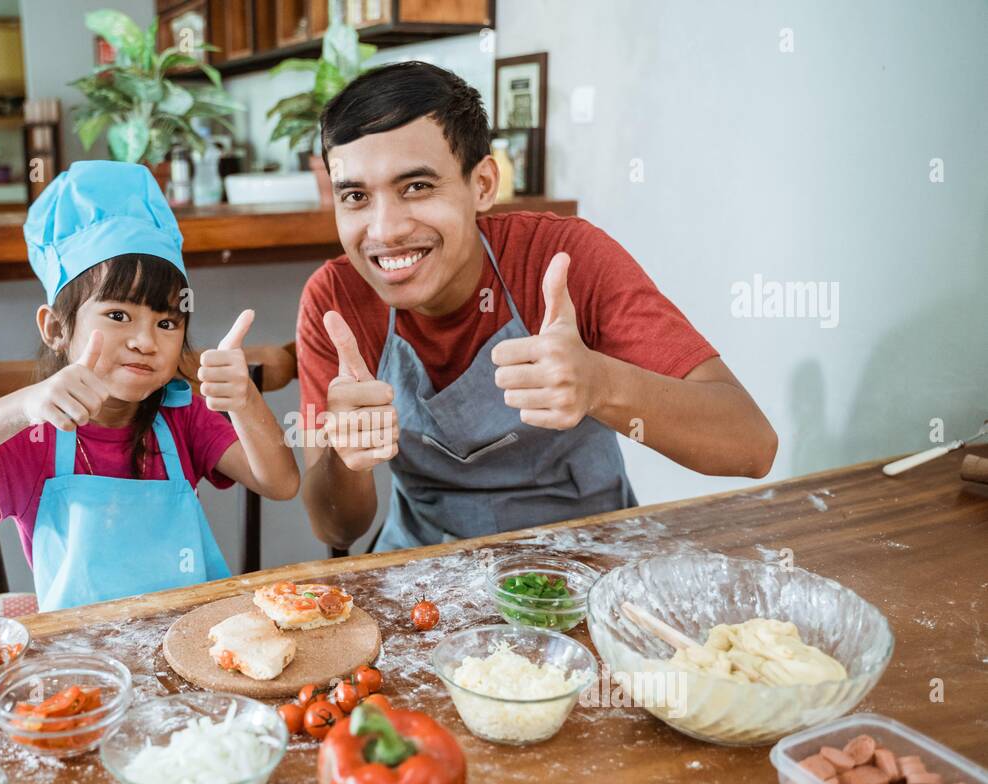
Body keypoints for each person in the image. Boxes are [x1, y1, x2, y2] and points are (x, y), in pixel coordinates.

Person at [295, 62, 777, 551]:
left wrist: (600, 383)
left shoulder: (563, 260)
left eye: (416, 187)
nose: (385, 230)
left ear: (482, 185)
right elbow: (337, 529)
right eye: (356, 196)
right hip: (423, 578)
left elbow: (751, 446)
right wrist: (347, 456)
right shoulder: (335, 302)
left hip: (589, 561)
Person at [0, 162, 299, 610]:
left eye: (166, 322)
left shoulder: (183, 418)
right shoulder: (35, 435)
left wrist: (244, 402)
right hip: (83, 662)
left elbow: (280, 484)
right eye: (119, 315)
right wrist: (25, 406)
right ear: (56, 329)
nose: (145, 341)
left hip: (193, 640)